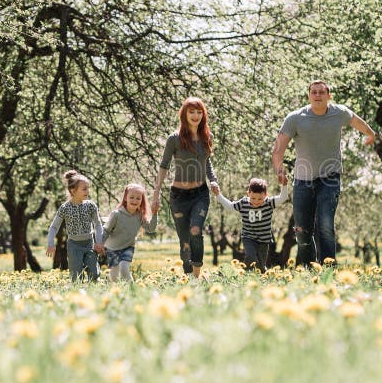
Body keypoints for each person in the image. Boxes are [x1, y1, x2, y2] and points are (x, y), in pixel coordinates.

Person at [271, 80, 375, 264]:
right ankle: (310, 268)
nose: (318, 95)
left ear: (329, 95)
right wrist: (279, 167)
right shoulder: (295, 118)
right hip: (302, 180)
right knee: (302, 231)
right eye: (314, 92)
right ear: (309, 96)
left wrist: (370, 134)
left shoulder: (339, 112)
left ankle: (328, 269)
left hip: (330, 178)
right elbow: (279, 148)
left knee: (325, 226)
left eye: (321, 92)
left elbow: (357, 122)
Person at [152, 97, 219, 278]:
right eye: (192, 112)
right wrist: (156, 194)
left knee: (195, 230)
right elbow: (164, 166)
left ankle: (196, 276)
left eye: (199, 112)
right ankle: (189, 277)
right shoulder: (174, 139)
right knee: (185, 242)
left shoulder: (207, 137)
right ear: (184, 114)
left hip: (200, 194)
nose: (196, 116)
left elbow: (207, 162)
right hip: (179, 197)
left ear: (203, 114)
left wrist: (213, 180)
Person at [214, 178, 288, 272]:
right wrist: (218, 195)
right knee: (251, 256)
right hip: (248, 237)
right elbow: (230, 206)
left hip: (264, 240)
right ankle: (246, 273)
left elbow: (283, 198)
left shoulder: (269, 203)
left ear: (265, 195)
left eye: (260, 199)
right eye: (253, 198)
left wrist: (284, 185)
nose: (256, 201)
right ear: (248, 193)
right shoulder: (243, 203)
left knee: (261, 265)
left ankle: (260, 276)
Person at [46, 170, 104, 281]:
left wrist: (99, 242)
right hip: (73, 246)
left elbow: (97, 224)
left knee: (94, 273)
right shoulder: (65, 208)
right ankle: (78, 294)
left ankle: (94, 294)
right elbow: (54, 227)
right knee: (76, 276)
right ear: (73, 190)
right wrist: (50, 243)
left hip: (89, 244)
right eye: (84, 189)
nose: (88, 191)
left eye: (88, 188)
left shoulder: (91, 206)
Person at [102, 183, 158, 282]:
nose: (135, 200)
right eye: (131, 197)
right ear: (125, 198)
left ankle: (133, 290)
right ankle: (115, 292)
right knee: (114, 275)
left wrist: (154, 213)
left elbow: (151, 229)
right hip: (112, 248)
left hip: (128, 247)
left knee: (124, 268)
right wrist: (99, 243)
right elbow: (106, 230)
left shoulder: (139, 216)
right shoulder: (116, 214)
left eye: (138, 198)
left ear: (142, 200)